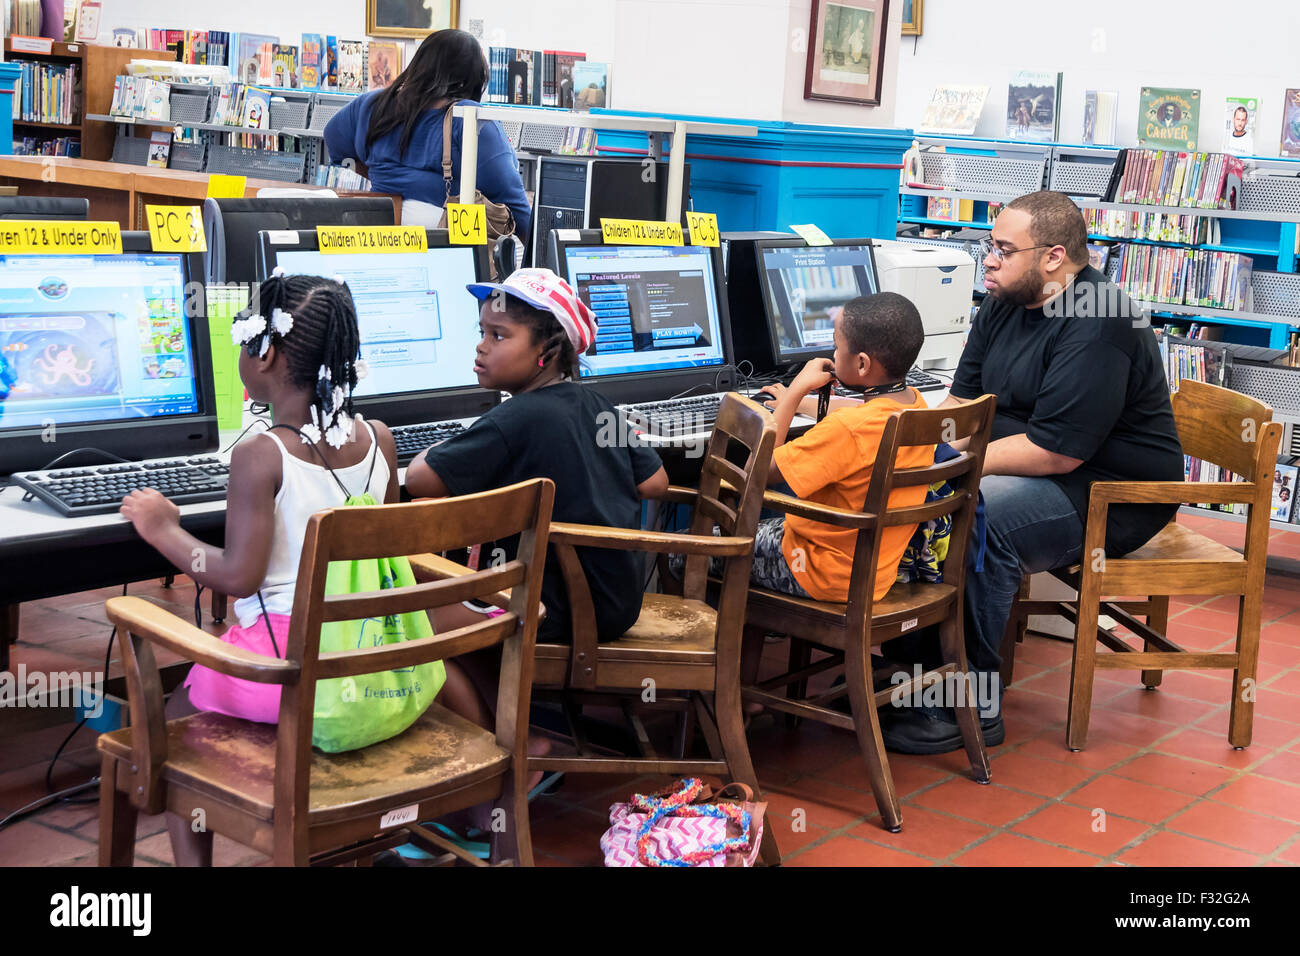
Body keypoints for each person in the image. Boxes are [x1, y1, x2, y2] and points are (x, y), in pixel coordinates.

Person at [880, 190, 1185, 754]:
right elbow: (961, 405)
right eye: (987, 247)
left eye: (1002, 249)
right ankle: (916, 669)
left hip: (1108, 490)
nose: (988, 261)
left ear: (1053, 258)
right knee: (923, 491)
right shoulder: (1003, 300)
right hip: (1034, 466)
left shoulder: (1102, 319)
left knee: (978, 512)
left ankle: (973, 704)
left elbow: (1056, 452)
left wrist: (946, 468)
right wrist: (899, 442)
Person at [404, 268, 669, 718]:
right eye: (482, 331)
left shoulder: (516, 419)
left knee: (411, 624)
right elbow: (655, 483)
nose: (481, 345)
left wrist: (442, 443)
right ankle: (519, 729)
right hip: (616, 601)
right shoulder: (595, 404)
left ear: (546, 351)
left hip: (552, 608)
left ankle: (499, 751)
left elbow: (418, 480)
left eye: (499, 335)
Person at [324, 29, 531, 237]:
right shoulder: (468, 117)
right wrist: (541, 259)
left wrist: (374, 174)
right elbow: (514, 203)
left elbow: (333, 140)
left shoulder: (373, 104)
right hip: (447, 243)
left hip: (381, 233)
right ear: (469, 79)